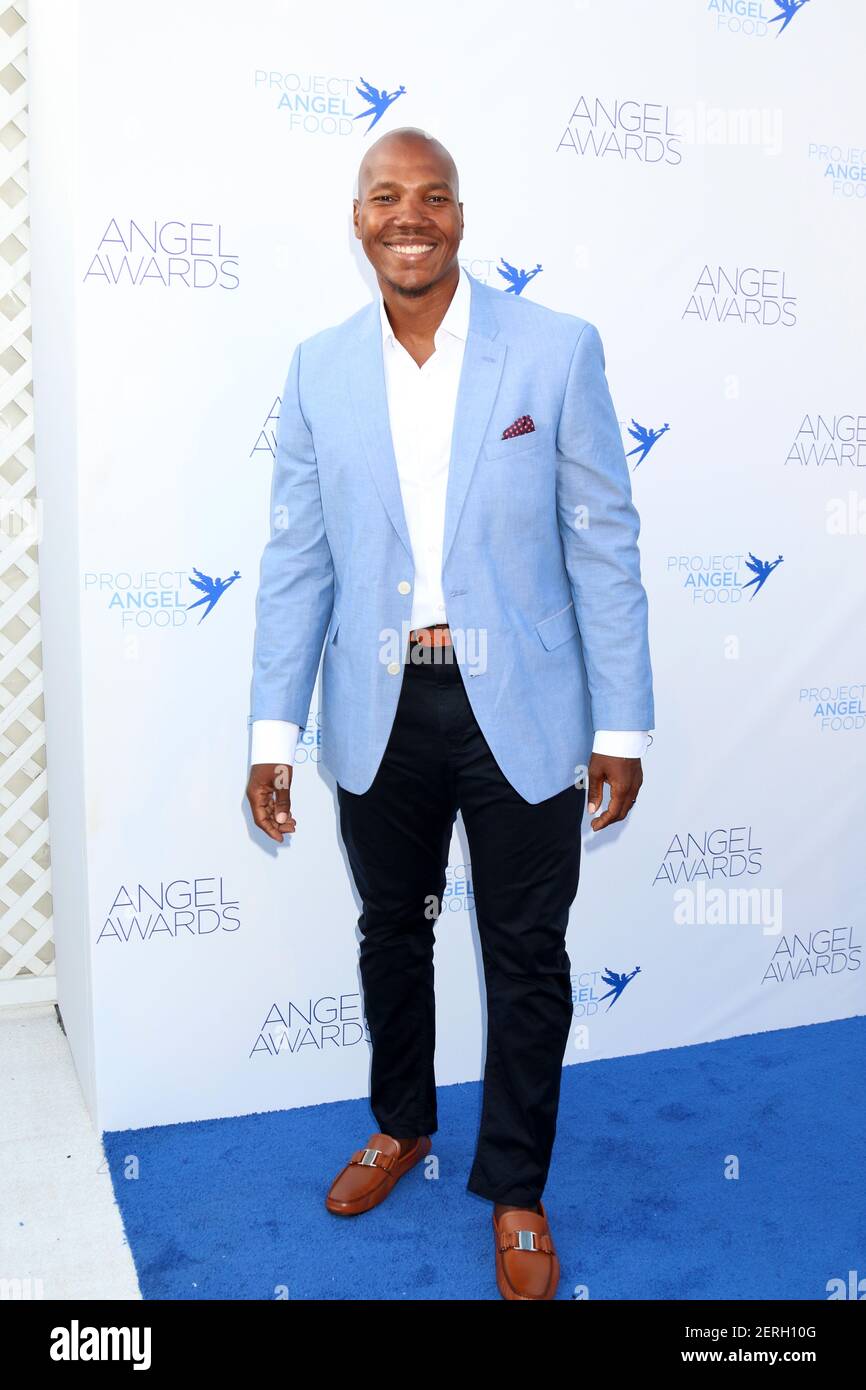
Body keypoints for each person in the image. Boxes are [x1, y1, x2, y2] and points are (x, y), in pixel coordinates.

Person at [246, 126, 654, 1300]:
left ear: (460, 217)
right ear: (359, 219)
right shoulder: (319, 367)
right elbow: (295, 562)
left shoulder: (554, 350)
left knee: (527, 952)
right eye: (386, 197)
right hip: (378, 702)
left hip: (520, 704)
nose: (407, 215)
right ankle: (402, 1121)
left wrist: (617, 725)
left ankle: (515, 1190)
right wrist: (274, 734)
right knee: (392, 930)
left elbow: (604, 544)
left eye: (430, 196)